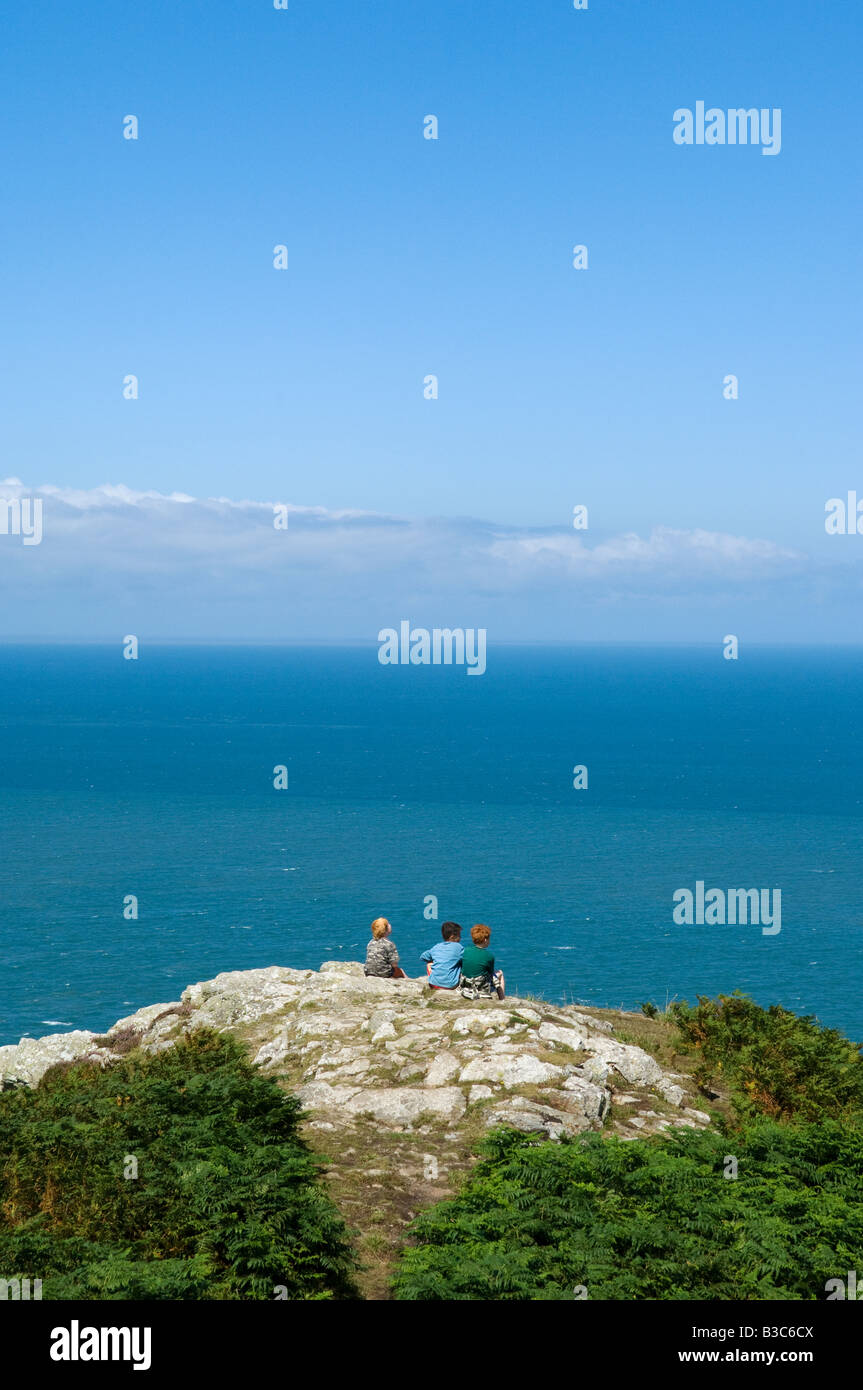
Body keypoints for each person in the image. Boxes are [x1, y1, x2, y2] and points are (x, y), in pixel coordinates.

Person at [459, 923, 505, 1000]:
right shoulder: (489, 956)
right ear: (485, 940)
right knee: (500, 973)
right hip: (481, 988)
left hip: (466, 986)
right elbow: (490, 973)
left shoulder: (466, 951)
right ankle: (502, 998)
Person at [420, 921, 463, 990]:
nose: (460, 938)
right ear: (452, 937)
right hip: (451, 985)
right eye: (459, 935)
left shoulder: (436, 947)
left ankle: (437, 979)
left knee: (429, 963)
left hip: (434, 984)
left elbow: (423, 957)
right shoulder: (458, 947)